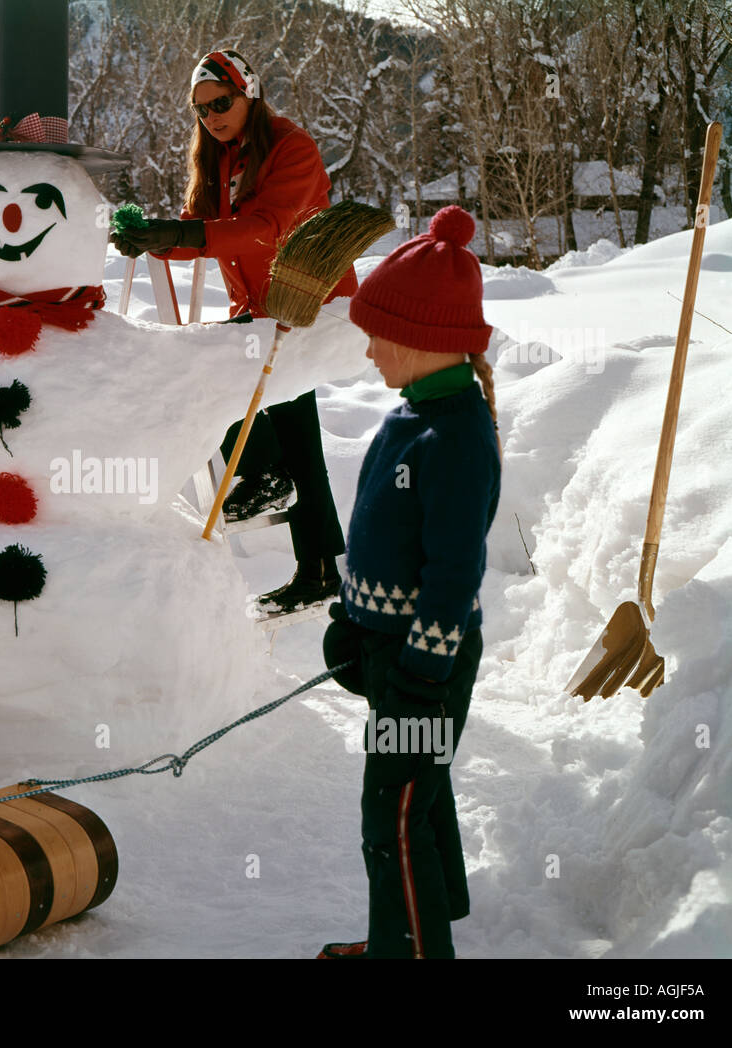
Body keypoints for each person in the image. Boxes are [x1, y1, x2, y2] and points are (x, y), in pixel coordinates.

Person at [110, 47, 357, 612]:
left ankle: (268, 481)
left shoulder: (293, 149)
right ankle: (317, 566)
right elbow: (200, 230)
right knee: (291, 432)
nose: (211, 116)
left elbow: (266, 228)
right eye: (201, 109)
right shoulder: (218, 157)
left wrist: (187, 236)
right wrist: (154, 237)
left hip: (308, 303)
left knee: (228, 381)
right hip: (261, 310)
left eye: (220, 103)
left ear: (250, 94)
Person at [318, 206, 501, 959]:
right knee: (414, 800)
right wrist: (353, 622)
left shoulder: (456, 438)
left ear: (423, 338)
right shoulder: (412, 416)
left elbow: (455, 572)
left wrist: (423, 670)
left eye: (376, 334)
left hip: (426, 664)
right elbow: (382, 539)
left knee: (390, 818)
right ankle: (413, 932)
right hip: (395, 654)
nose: (367, 352)